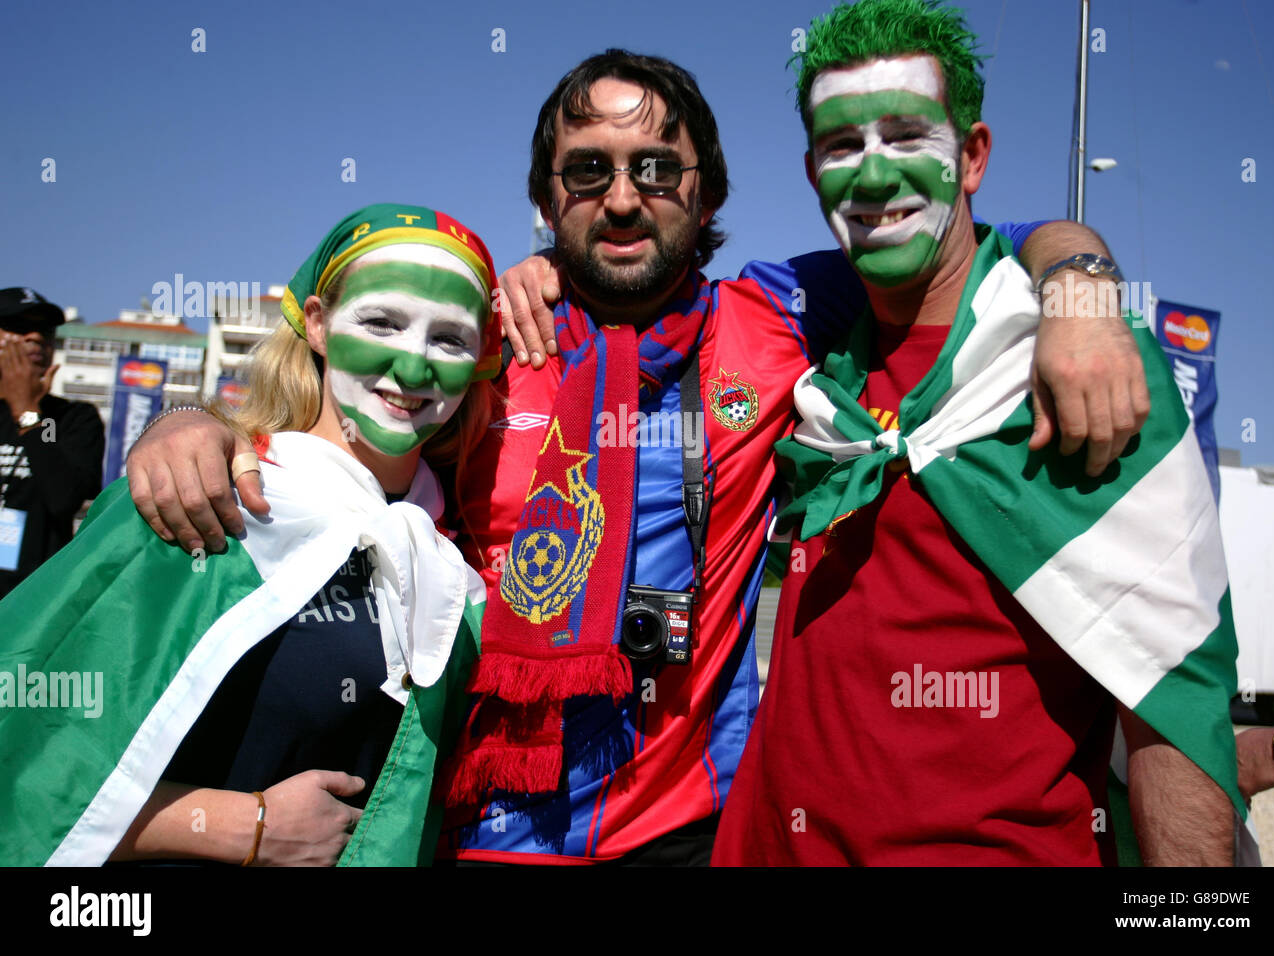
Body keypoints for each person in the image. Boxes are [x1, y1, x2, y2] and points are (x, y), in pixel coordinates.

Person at [126, 49, 1148, 865]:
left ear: (705, 199)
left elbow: (976, 237)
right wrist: (187, 428)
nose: (623, 198)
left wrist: (1084, 285)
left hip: (691, 828)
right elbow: (318, 434)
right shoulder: (481, 341)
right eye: (589, 172)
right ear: (546, 198)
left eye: (657, 169)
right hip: (478, 822)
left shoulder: (777, 313)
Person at [710, 0, 1245, 866]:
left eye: (907, 135)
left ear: (972, 157)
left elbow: (1173, 701)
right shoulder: (815, 364)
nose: (874, 175)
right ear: (812, 173)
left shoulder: (1084, 366)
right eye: (843, 147)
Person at [0, 204, 499, 866]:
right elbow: (24, 757)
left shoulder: (446, 569)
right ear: (318, 325)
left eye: (450, 340)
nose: (413, 368)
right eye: (381, 323)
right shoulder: (198, 495)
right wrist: (239, 825)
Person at [0, 287, 104, 599]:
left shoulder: (70, 418)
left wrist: (29, 414)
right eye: (19, 327)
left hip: (27, 602)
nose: (35, 337)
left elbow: (64, 497)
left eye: (45, 331)